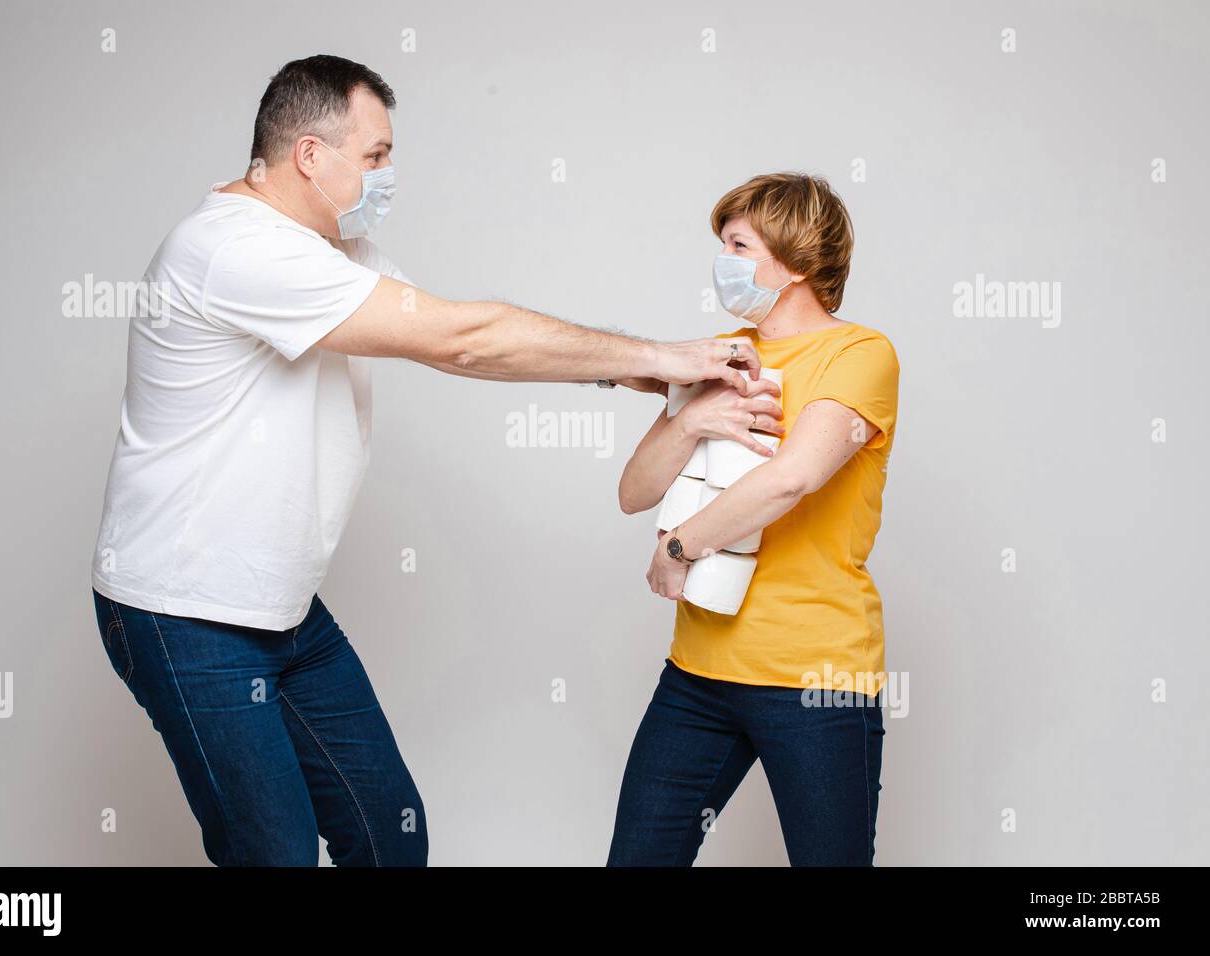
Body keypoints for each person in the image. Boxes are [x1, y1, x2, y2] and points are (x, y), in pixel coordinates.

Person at [89, 54, 764, 867]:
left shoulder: (337, 248)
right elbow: (463, 340)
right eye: (375, 155)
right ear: (310, 155)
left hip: (281, 609)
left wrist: (630, 370)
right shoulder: (232, 249)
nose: (387, 175)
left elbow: (456, 340)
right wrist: (658, 353)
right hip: (185, 611)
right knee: (275, 853)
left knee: (389, 833)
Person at [608, 173, 900, 866]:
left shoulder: (860, 355)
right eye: (722, 245)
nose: (723, 261)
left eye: (739, 245)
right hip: (698, 673)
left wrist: (679, 548)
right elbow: (634, 491)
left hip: (814, 679)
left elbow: (792, 477)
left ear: (795, 261)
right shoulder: (725, 355)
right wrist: (693, 420)